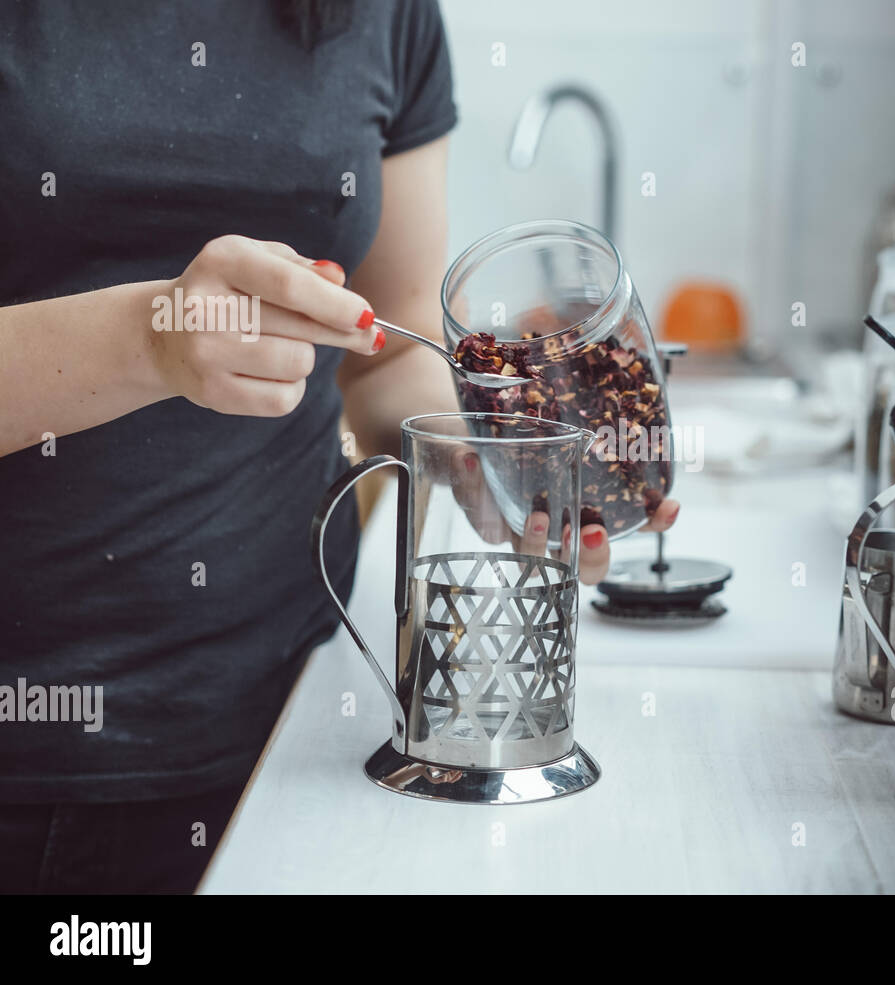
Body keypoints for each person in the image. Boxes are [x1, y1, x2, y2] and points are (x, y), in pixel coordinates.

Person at [0, 0, 678, 893]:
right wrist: (151, 339)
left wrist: (487, 470)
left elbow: (385, 366)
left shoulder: (383, 13)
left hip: (289, 709)